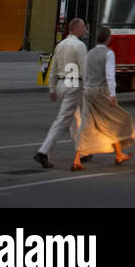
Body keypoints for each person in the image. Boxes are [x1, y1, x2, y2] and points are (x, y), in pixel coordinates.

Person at [73, 26, 135, 170]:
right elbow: (109, 75)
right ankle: (119, 153)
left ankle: (78, 158)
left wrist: (85, 87)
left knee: (87, 123)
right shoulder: (109, 53)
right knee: (120, 119)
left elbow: (85, 73)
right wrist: (113, 94)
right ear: (109, 39)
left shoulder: (89, 53)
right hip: (101, 90)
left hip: (88, 90)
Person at [33, 18, 87, 169]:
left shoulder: (60, 45)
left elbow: (53, 68)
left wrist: (52, 88)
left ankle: (81, 150)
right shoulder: (80, 46)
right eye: (83, 27)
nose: (84, 30)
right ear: (76, 28)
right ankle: (43, 151)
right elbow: (84, 69)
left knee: (72, 118)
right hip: (74, 83)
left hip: (61, 84)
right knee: (64, 119)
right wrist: (88, 86)